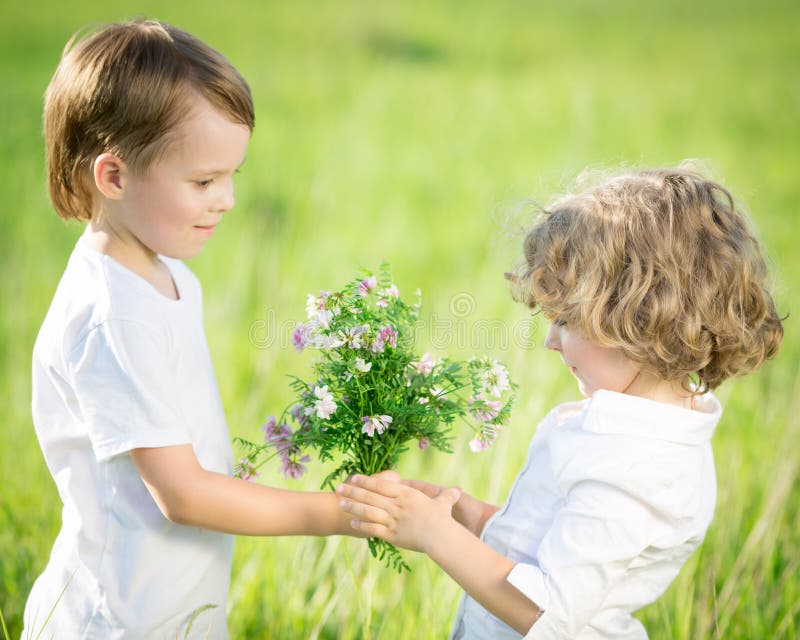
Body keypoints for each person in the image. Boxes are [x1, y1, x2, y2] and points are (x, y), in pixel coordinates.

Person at [336, 166, 784, 639]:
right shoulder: (626, 430)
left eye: (567, 320)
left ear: (641, 321)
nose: (551, 341)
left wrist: (435, 535)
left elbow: (547, 612)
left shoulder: (640, 468)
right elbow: (551, 548)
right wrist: (465, 515)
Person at [25, 19, 356, 639]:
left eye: (232, 175)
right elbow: (182, 495)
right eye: (204, 181)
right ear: (114, 177)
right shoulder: (112, 316)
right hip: (118, 621)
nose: (226, 199)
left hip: (174, 603)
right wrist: (334, 513)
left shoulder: (164, 272)